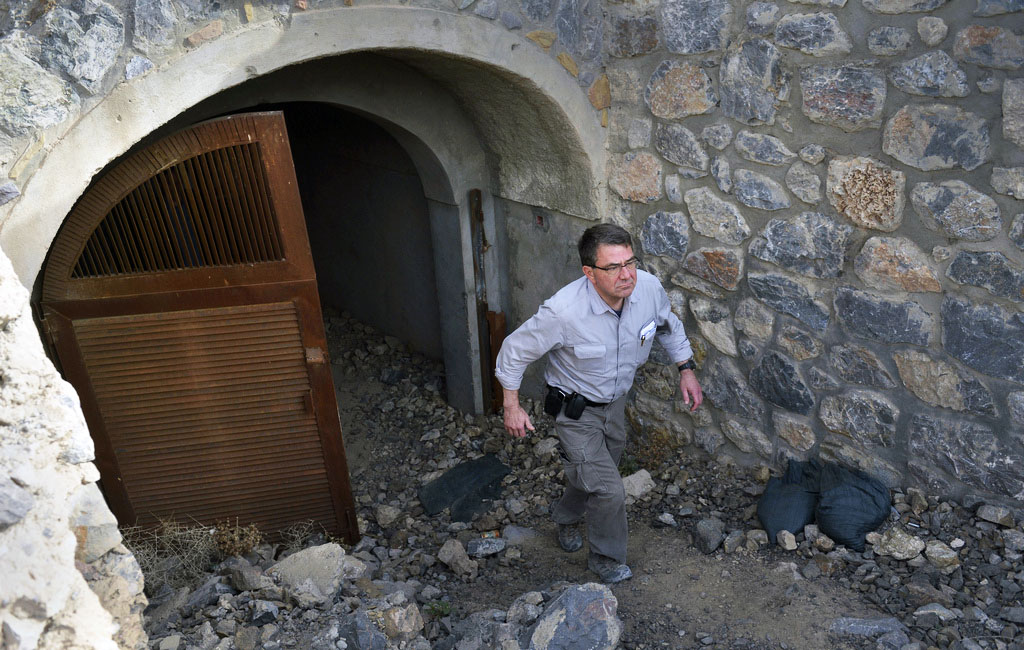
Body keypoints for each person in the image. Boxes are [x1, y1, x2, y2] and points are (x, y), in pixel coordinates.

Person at [494, 223, 703, 584]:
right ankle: (605, 559)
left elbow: (668, 325)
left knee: (594, 472)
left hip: (615, 404)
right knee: (608, 488)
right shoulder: (563, 312)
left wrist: (686, 370)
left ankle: (564, 517)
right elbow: (513, 352)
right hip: (574, 412)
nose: (627, 275)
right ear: (589, 272)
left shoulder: (648, 289)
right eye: (613, 267)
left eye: (630, 262)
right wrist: (511, 407)